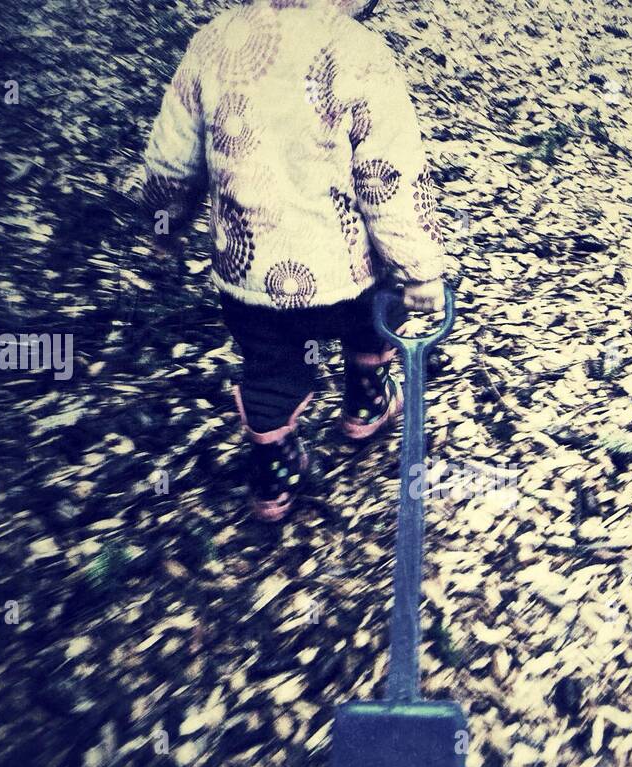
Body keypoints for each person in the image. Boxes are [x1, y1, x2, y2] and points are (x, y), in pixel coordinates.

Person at [138, 0, 449, 521]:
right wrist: (419, 268)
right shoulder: (358, 52)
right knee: (378, 319)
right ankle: (366, 405)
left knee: (270, 366)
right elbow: (387, 175)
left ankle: (273, 479)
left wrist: (162, 223)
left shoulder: (216, 42)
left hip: (250, 273)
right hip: (349, 273)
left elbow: (173, 157)